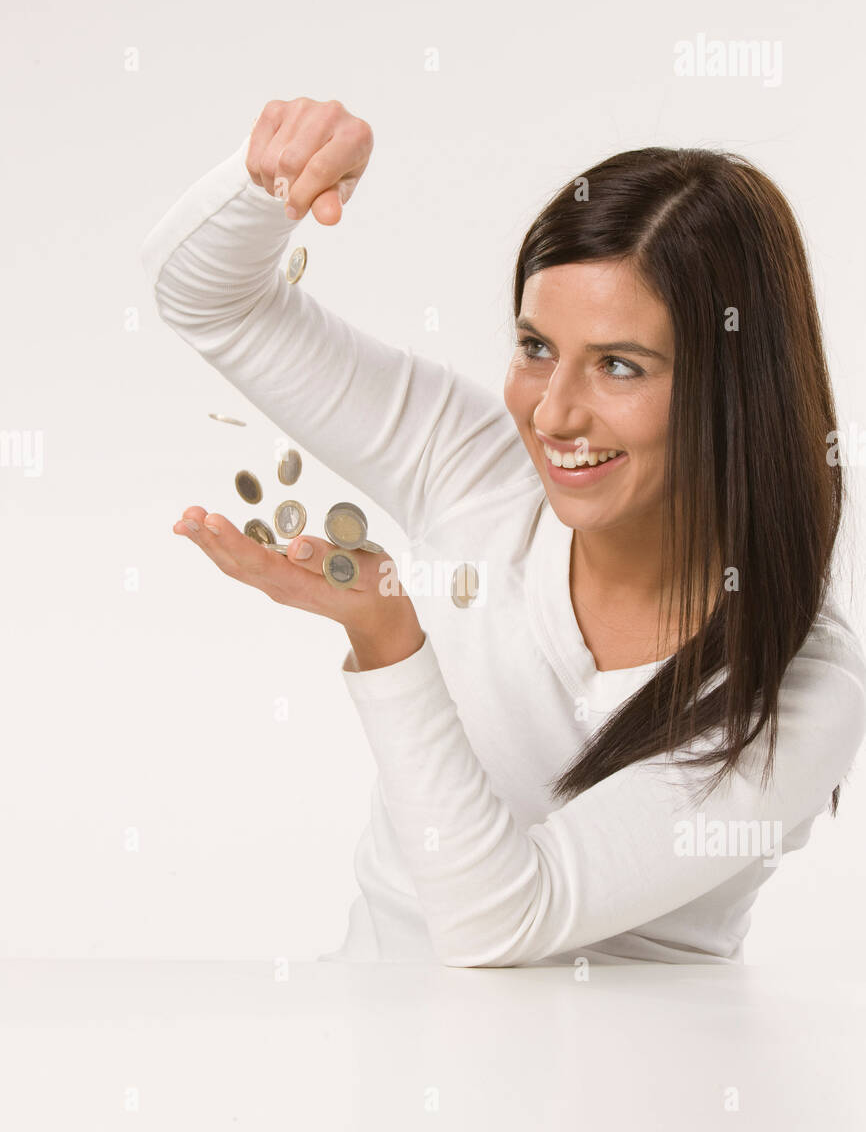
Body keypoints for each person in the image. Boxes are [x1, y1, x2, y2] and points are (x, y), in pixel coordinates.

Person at [141, 96, 866, 968]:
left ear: (733, 390)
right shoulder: (476, 468)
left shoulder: (799, 691)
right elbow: (212, 302)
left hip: (642, 1093)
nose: (553, 413)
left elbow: (502, 920)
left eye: (619, 366)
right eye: (534, 347)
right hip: (371, 1058)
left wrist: (387, 637)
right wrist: (271, 183)